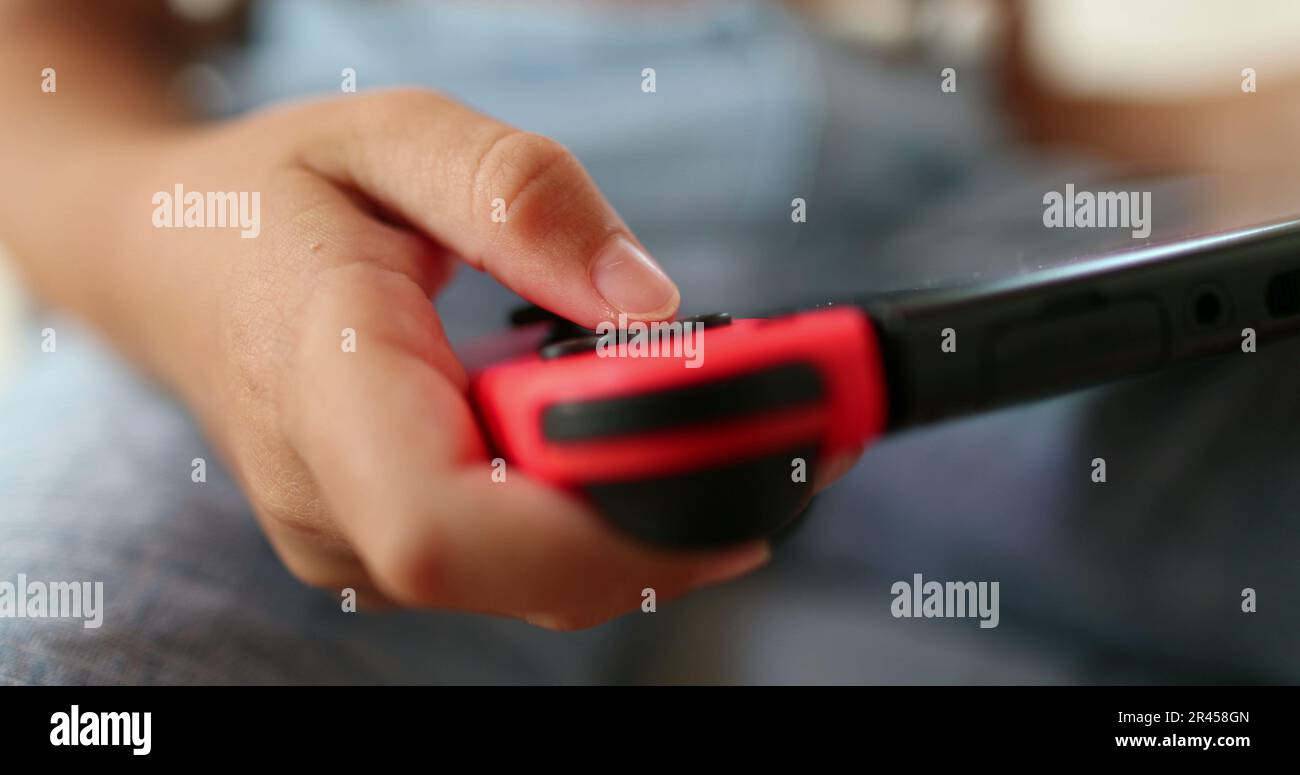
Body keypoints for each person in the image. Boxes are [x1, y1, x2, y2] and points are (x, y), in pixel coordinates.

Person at [1, 0, 1296, 684]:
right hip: (364, 251)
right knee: (76, 660)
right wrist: (171, 243)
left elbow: (1019, 87)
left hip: (948, 227)